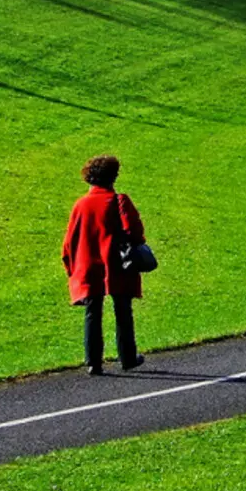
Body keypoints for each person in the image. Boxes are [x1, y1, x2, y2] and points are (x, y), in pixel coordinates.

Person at [61, 154, 146, 376]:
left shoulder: (80, 205)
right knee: (123, 311)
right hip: (117, 264)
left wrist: (72, 271)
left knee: (92, 312)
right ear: (113, 177)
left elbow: (69, 242)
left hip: (88, 265)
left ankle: (93, 362)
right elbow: (135, 232)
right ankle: (127, 358)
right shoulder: (119, 201)